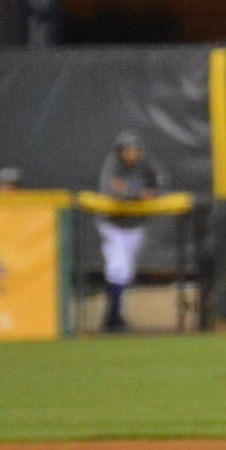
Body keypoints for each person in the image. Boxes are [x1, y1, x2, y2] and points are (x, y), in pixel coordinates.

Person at [95, 131, 166, 331]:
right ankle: (113, 318)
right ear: (120, 152)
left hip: (135, 225)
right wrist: (138, 195)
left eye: (136, 150)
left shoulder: (146, 164)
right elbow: (111, 192)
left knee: (126, 272)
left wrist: (151, 193)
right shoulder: (113, 165)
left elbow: (160, 185)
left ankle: (112, 317)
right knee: (119, 268)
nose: (133, 154)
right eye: (129, 150)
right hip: (112, 225)